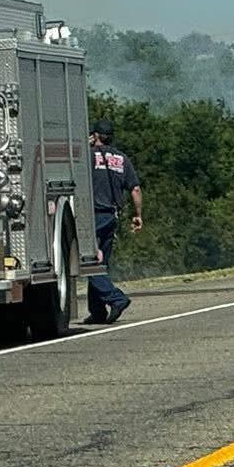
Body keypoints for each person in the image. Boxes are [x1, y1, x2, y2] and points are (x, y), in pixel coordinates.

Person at [88, 119, 142, 323]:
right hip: (112, 216)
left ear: (95, 136)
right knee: (101, 264)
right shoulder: (122, 158)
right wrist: (138, 215)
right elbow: (135, 189)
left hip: (93, 215)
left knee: (90, 262)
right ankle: (98, 312)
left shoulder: (88, 156)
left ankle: (116, 298)